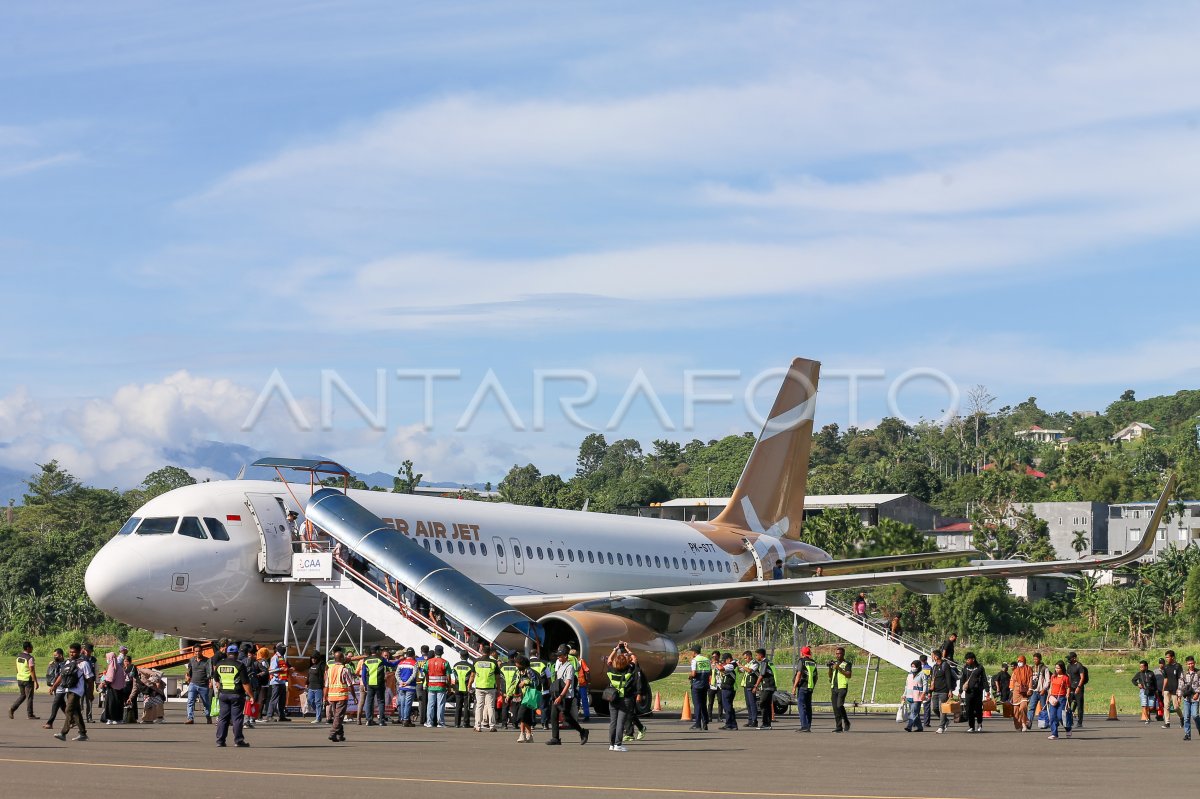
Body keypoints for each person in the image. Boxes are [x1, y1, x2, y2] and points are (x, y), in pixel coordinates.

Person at [208, 644, 251, 747]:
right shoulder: (239, 665)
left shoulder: (219, 664)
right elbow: (245, 683)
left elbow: (215, 678)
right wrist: (251, 696)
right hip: (236, 694)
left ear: (227, 653)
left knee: (223, 718)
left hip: (223, 694)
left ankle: (220, 741)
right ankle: (238, 740)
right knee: (237, 718)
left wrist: (220, 686)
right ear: (236, 654)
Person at [546, 644, 588, 745]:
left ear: (566, 656)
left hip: (566, 696)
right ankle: (555, 738)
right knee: (553, 716)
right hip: (558, 694)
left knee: (567, 717)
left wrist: (561, 697)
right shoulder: (559, 664)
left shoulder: (569, 667)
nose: (558, 657)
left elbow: (568, 683)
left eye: (560, 655)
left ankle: (583, 732)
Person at [51, 643, 93, 742]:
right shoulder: (68, 662)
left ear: (79, 652)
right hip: (68, 690)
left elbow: (90, 680)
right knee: (76, 712)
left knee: (68, 710)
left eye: (74, 652)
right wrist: (54, 686)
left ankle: (63, 733)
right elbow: (61, 676)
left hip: (77, 691)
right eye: (70, 652)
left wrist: (90, 693)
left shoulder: (84, 664)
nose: (71, 654)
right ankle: (83, 733)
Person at [606, 648, 636, 751]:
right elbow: (634, 659)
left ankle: (611, 744)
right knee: (620, 723)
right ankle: (618, 744)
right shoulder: (628, 670)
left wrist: (614, 650)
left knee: (613, 722)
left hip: (613, 698)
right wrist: (628, 649)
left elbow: (609, 660)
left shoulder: (611, 671)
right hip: (625, 699)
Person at [324, 646, 354, 743]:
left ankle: (340, 735)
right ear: (341, 659)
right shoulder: (344, 669)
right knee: (339, 716)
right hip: (341, 695)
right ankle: (333, 733)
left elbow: (326, 685)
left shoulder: (330, 669)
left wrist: (325, 697)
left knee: (337, 716)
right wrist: (354, 696)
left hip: (332, 696)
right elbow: (350, 685)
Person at [957, 652, 987, 732]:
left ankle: (979, 723)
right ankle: (971, 726)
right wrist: (960, 691)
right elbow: (962, 680)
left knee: (978, 709)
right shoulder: (965, 668)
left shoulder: (980, 668)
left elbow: (984, 679)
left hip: (978, 692)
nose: (966, 661)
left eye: (968, 659)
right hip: (968, 692)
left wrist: (987, 690)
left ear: (973, 659)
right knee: (969, 709)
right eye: (966, 660)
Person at [360, 646, 390, 726]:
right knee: (381, 701)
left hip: (370, 684)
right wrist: (400, 661)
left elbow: (363, 675)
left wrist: (365, 684)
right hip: (379, 683)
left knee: (369, 702)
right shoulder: (380, 659)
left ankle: (369, 720)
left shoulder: (366, 660)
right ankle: (381, 720)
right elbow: (391, 664)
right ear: (377, 651)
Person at [473, 646, 500, 732]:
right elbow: (497, 677)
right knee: (490, 706)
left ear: (482, 651)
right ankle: (492, 726)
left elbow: (472, 675)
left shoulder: (476, 661)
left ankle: (477, 726)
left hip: (479, 687)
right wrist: (498, 687)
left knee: (479, 706)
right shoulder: (494, 663)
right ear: (489, 653)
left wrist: (469, 684)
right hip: (490, 687)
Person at [10, 640, 39, 720]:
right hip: (27, 680)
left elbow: (17, 667)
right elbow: (32, 670)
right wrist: (36, 682)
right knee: (29, 697)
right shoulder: (30, 658)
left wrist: (19, 675)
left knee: (23, 695)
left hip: (20, 678)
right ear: (28, 648)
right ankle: (30, 714)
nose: (32, 648)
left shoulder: (19, 656)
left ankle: (12, 708)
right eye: (31, 647)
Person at [513, 654, 539, 743]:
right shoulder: (519, 672)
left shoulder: (530, 671)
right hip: (522, 696)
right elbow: (515, 682)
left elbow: (536, 682)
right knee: (526, 717)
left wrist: (525, 682)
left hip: (529, 696)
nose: (516, 665)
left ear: (522, 664)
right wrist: (510, 694)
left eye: (517, 663)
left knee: (520, 715)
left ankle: (523, 734)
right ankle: (528, 735)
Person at [929, 649, 955, 734]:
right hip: (935, 691)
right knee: (934, 708)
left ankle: (941, 727)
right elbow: (932, 679)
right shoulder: (934, 666)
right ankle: (946, 721)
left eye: (932, 655)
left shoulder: (945, 665)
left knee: (942, 709)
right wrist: (929, 692)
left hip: (944, 691)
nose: (932, 657)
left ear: (936, 656)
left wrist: (950, 690)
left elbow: (948, 678)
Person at [185, 649, 213, 725]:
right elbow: (189, 671)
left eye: (199, 651)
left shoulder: (207, 660)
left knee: (206, 703)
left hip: (203, 685)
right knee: (190, 702)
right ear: (194, 652)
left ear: (202, 651)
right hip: (193, 684)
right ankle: (190, 718)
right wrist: (187, 676)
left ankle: (208, 716)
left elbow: (210, 672)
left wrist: (210, 681)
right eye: (196, 651)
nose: (197, 653)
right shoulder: (191, 660)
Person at [687, 645, 711, 731]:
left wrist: (689, 677)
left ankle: (697, 724)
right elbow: (710, 672)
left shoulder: (695, 660)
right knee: (703, 703)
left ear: (694, 652)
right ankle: (705, 722)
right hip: (705, 684)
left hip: (697, 685)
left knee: (697, 704)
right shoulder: (707, 659)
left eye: (691, 652)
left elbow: (693, 674)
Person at [793, 646, 817, 732]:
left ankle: (804, 726)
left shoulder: (801, 661)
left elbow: (799, 674)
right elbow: (816, 676)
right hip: (810, 687)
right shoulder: (813, 662)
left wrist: (794, 687)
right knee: (808, 707)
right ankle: (808, 725)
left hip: (803, 686)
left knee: (801, 706)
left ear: (802, 653)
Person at [100, 651, 128, 724]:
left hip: (112, 688)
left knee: (111, 703)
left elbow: (110, 678)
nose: (107, 660)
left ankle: (110, 719)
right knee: (119, 703)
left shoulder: (112, 666)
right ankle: (118, 719)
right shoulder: (119, 666)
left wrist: (104, 683)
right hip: (120, 688)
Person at [1046, 660, 1071, 740]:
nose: (1056, 669)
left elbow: (1068, 687)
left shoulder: (1065, 677)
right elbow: (1051, 687)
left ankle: (1068, 728)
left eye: (1058, 668)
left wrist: (1068, 694)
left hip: (1061, 698)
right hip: (1053, 697)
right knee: (1052, 716)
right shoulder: (1053, 676)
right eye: (1056, 668)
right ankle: (1054, 734)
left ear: (1062, 668)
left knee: (1060, 716)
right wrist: (1048, 696)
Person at [752, 648, 777, 730]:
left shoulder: (764, 662)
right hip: (770, 686)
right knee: (767, 705)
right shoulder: (768, 662)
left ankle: (765, 723)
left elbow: (761, 675)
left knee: (763, 704)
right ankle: (768, 724)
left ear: (761, 655)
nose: (756, 657)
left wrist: (756, 686)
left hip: (767, 687)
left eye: (756, 655)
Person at [829, 646, 852, 733]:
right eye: (836, 654)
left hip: (842, 687)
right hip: (834, 687)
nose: (838, 655)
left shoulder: (847, 664)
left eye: (839, 654)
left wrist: (838, 668)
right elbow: (830, 676)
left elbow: (848, 675)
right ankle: (838, 727)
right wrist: (830, 668)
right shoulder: (835, 663)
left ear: (843, 654)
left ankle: (846, 721)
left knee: (839, 705)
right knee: (835, 708)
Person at [425, 645, 449, 728]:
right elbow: (448, 675)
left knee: (430, 704)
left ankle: (429, 722)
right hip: (441, 686)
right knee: (440, 705)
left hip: (431, 686)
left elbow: (425, 672)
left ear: (435, 652)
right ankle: (440, 722)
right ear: (442, 652)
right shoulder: (445, 662)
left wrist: (428, 682)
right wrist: (448, 686)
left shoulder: (429, 661)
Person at [43, 648, 68, 729]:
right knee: (62, 704)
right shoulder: (54, 663)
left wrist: (54, 687)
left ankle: (50, 722)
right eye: (53, 655)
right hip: (56, 687)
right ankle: (72, 720)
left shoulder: (66, 664)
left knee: (55, 704)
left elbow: (61, 677)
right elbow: (51, 675)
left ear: (60, 655)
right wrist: (50, 666)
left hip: (62, 687)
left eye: (56, 655)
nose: (54, 657)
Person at [267, 645, 291, 722]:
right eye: (283, 648)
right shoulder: (275, 657)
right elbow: (271, 671)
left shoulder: (281, 657)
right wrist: (281, 669)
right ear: (280, 649)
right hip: (276, 681)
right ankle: (269, 715)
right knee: (274, 699)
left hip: (282, 681)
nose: (285, 650)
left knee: (282, 700)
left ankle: (282, 716)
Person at [1178, 656, 1200, 741]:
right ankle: (1187, 734)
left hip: (1195, 698)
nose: (1191, 665)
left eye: (1192, 663)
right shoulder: (1183, 674)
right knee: (1186, 717)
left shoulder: (1198, 673)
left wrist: (1197, 693)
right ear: (1186, 664)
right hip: (1186, 698)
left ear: (1194, 663)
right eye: (1189, 664)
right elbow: (1180, 686)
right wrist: (1179, 697)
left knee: (1195, 715)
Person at [451, 650, 475, 728]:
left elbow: (455, 676)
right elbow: (471, 677)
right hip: (466, 688)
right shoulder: (470, 666)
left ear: (460, 656)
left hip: (457, 688)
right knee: (466, 706)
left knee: (458, 706)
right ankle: (466, 723)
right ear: (468, 657)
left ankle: (456, 724)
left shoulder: (455, 665)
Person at [1010, 655, 1033, 732]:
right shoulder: (1015, 671)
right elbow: (1012, 680)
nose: (1019, 663)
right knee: (1016, 711)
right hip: (1016, 692)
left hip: (1024, 691)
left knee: (1023, 707)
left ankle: (1025, 722)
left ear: (1024, 661)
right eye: (1018, 661)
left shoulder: (1029, 669)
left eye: (1021, 661)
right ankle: (1018, 726)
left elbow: (1030, 679)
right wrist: (1011, 689)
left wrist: (1030, 688)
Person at [903, 659, 927, 732]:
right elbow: (907, 685)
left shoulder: (922, 674)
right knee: (915, 713)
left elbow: (925, 684)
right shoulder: (909, 674)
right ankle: (920, 727)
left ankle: (909, 726)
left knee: (913, 712)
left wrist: (923, 693)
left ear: (918, 666)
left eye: (914, 666)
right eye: (912, 666)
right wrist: (904, 694)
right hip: (909, 696)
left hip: (918, 696)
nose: (913, 668)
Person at [1066, 651, 1089, 728]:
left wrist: (1079, 687)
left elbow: (1082, 677)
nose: (1069, 660)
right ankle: (1070, 720)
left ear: (1074, 658)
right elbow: (1068, 677)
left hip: (1078, 687)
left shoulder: (1079, 666)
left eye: (1070, 658)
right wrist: (1067, 687)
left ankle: (1079, 722)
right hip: (1071, 687)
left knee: (1079, 705)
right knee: (1068, 704)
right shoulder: (1069, 666)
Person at [1028, 652, 1050, 731]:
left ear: (1040, 659)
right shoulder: (1031, 668)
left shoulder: (1044, 668)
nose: (1035, 660)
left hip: (1042, 691)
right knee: (1031, 707)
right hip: (1034, 691)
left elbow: (1048, 680)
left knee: (1043, 708)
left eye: (1036, 659)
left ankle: (1044, 723)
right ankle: (1029, 723)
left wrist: (1044, 689)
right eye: (1034, 659)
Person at [1162, 650, 1183, 729]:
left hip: (1175, 689)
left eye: (1168, 657)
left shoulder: (1178, 666)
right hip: (1167, 688)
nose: (1166, 659)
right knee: (1166, 706)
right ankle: (1167, 722)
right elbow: (1165, 678)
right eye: (1166, 657)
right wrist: (1163, 689)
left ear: (1172, 657)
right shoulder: (1166, 667)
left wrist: (1179, 690)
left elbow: (1180, 679)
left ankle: (1181, 717)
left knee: (1176, 707)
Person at [500, 651, 521, 730]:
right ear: (515, 657)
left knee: (505, 707)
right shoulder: (518, 666)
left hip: (505, 690)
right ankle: (515, 724)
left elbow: (500, 678)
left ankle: (504, 724)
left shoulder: (502, 666)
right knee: (515, 707)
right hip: (516, 690)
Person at [717, 653, 738, 730]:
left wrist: (716, 663)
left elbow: (721, 668)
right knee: (728, 707)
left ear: (729, 659)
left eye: (724, 660)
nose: (724, 662)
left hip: (728, 688)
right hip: (727, 688)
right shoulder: (731, 665)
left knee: (727, 707)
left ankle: (729, 724)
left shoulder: (730, 665)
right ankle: (732, 724)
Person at [739, 650, 759, 728]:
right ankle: (750, 720)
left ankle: (754, 720)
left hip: (751, 685)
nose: (745, 659)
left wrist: (742, 666)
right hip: (746, 685)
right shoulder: (747, 664)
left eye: (746, 658)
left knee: (752, 703)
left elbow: (750, 670)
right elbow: (741, 671)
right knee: (748, 704)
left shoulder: (754, 663)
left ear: (750, 656)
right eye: (744, 658)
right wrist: (738, 666)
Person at [1132, 660, 1156, 725]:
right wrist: (1137, 684)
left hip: (1151, 691)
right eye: (1140, 667)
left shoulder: (1151, 673)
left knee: (1151, 707)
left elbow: (1155, 682)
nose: (1140, 668)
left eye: (1142, 667)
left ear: (1146, 667)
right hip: (1143, 691)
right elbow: (1133, 680)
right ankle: (1147, 719)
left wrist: (1155, 690)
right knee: (1144, 705)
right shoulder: (1139, 674)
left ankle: (1148, 715)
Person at [306, 653, 325, 724]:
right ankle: (319, 712)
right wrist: (306, 683)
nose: (313, 659)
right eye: (312, 658)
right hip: (311, 686)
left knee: (318, 703)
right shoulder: (311, 666)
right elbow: (309, 675)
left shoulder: (321, 665)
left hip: (318, 687)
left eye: (315, 658)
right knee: (310, 700)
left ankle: (318, 718)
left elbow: (325, 674)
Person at [80, 643, 97, 722]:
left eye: (89, 651)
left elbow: (96, 672)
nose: (87, 652)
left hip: (90, 682)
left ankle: (89, 717)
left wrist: (97, 683)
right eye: (86, 651)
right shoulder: (80, 659)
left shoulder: (93, 660)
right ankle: (79, 717)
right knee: (80, 700)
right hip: (81, 682)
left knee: (89, 700)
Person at [706, 649, 721, 724]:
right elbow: (708, 674)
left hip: (719, 685)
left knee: (720, 702)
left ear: (718, 657)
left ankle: (720, 717)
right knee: (710, 702)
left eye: (715, 657)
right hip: (712, 685)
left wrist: (717, 664)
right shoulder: (710, 664)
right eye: (713, 657)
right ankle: (709, 717)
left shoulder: (721, 664)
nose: (714, 658)